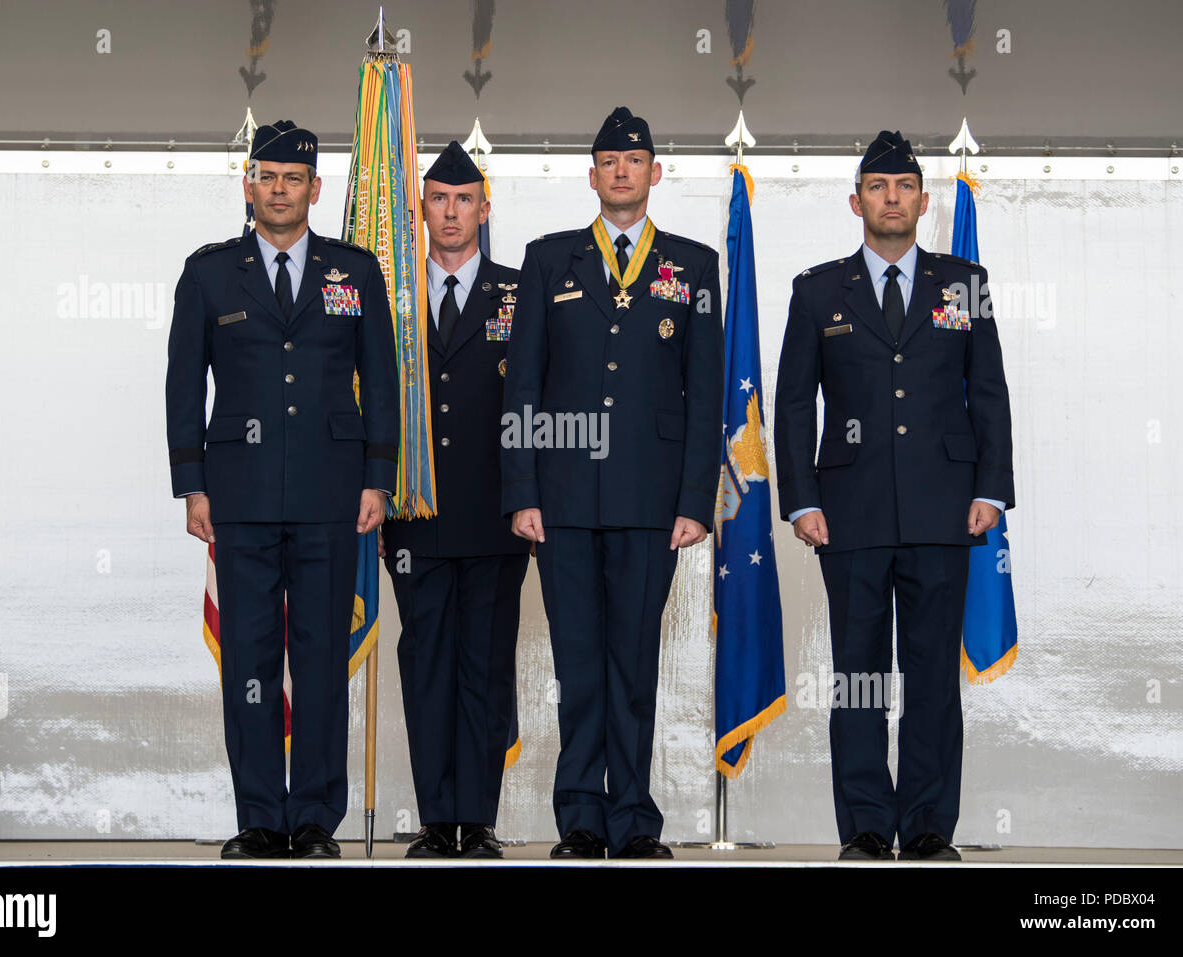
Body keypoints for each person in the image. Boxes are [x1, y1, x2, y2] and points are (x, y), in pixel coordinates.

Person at [772, 130, 1014, 861]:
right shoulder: (817, 290)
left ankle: (930, 825)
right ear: (856, 201)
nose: (891, 198)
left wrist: (992, 490)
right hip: (850, 513)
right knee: (859, 677)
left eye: (904, 186)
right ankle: (869, 826)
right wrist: (801, 498)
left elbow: (992, 394)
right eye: (877, 187)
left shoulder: (963, 282)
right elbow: (791, 405)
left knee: (934, 674)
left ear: (922, 198)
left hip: (946, 507)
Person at [165, 120, 399, 859]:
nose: (278, 189)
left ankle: (315, 820)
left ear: (314, 190)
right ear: (249, 184)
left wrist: (377, 477)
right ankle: (261, 817)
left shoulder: (354, 272)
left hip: (333, 496)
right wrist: (192, 485)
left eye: (292, 178)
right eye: (266, 176)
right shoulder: (208, 273)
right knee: (252, 662)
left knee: (323, 658)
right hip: (240, 498)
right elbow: (182, 386)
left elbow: (383, 384)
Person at [501, 107, 724, 859]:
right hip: (561, 500)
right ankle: (581, 818)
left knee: (633, 663)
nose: (620, 171)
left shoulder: (691, 266)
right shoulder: (548, 260)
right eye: (607, 161)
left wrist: (696, 500)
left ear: (654, 173)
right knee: (577, 664)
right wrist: (522, 489)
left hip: (649, 501)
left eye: (634, 161)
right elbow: (522, 385)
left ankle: (632, 818)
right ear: (591, 175)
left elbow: (706, 390)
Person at [380, 141, 529, 860]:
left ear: (483, 208)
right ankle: (439, 818)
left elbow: (538, 405)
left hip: (498, 514)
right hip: (414, 517)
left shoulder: (523, 294)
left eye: (463, 199)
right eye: (437, 198)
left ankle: (480, 816)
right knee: (427, 663)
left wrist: (530, 498)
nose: (449, 211)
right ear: (422, 209)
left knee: (487, 666)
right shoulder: (393, 297)